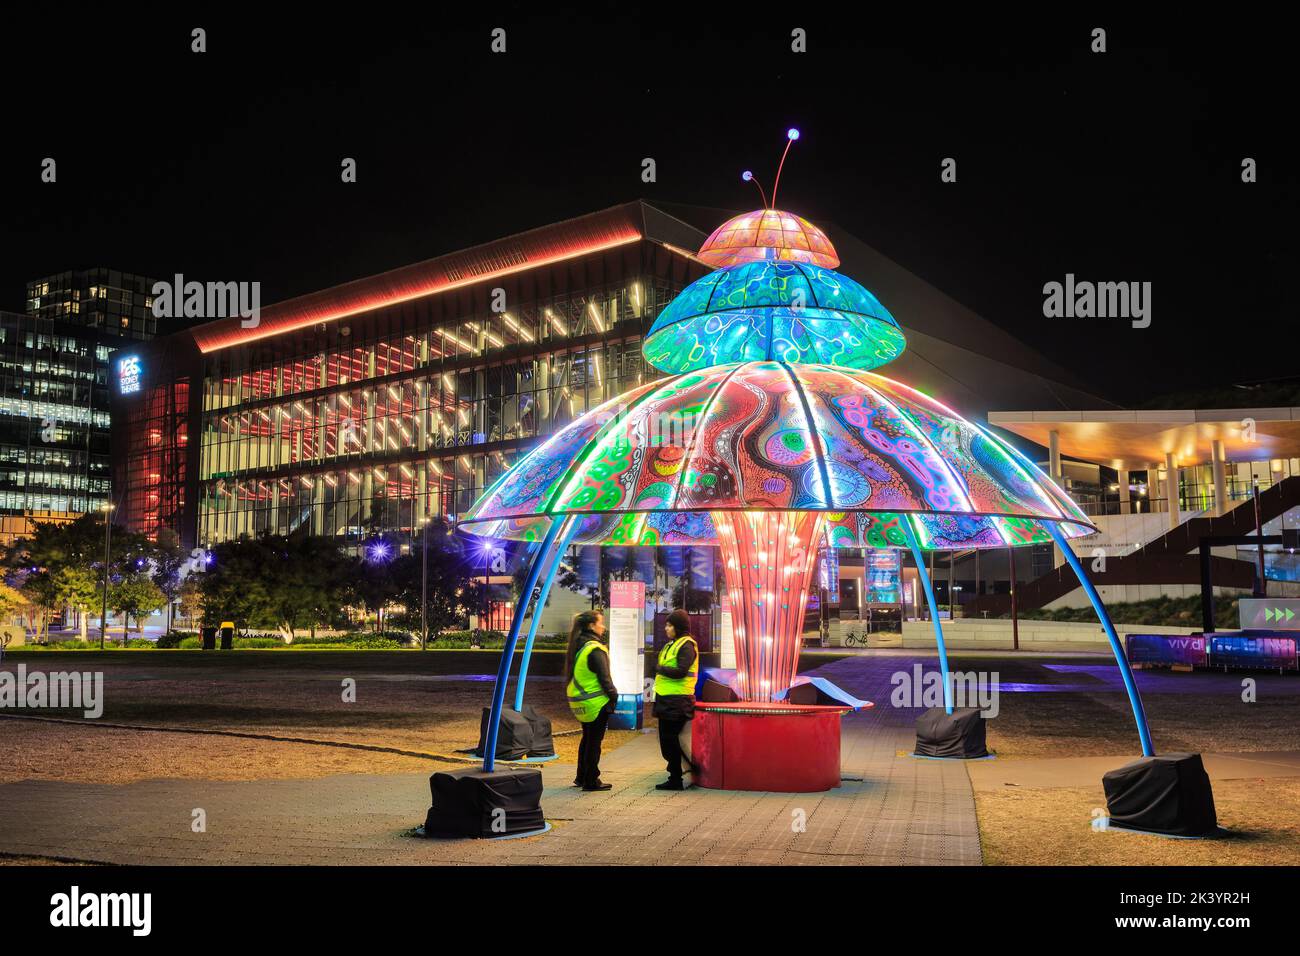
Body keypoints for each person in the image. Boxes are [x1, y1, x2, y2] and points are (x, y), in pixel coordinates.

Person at [565, 609, 618, 791]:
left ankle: (582, 776)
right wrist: (614, 697)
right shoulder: (595, 648)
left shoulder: (579, 645)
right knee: (594, 742)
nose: (603, 626)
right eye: (600, 623)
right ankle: (591, 780)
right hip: (595, 702)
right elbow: (605, 679)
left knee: (587, 739)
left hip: (581, 702)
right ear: (591, 626)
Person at [653, 609, 698, 791]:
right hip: (666, 699)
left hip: (678, 700)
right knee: (667, 739)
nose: (666, 628)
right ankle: (684, 768)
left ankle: (677, 776)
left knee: (669, 738)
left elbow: (680, 671)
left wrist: (659, 669)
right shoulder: (672, 644)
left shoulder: (686, 645)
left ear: (678, 627)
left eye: (670, 625)